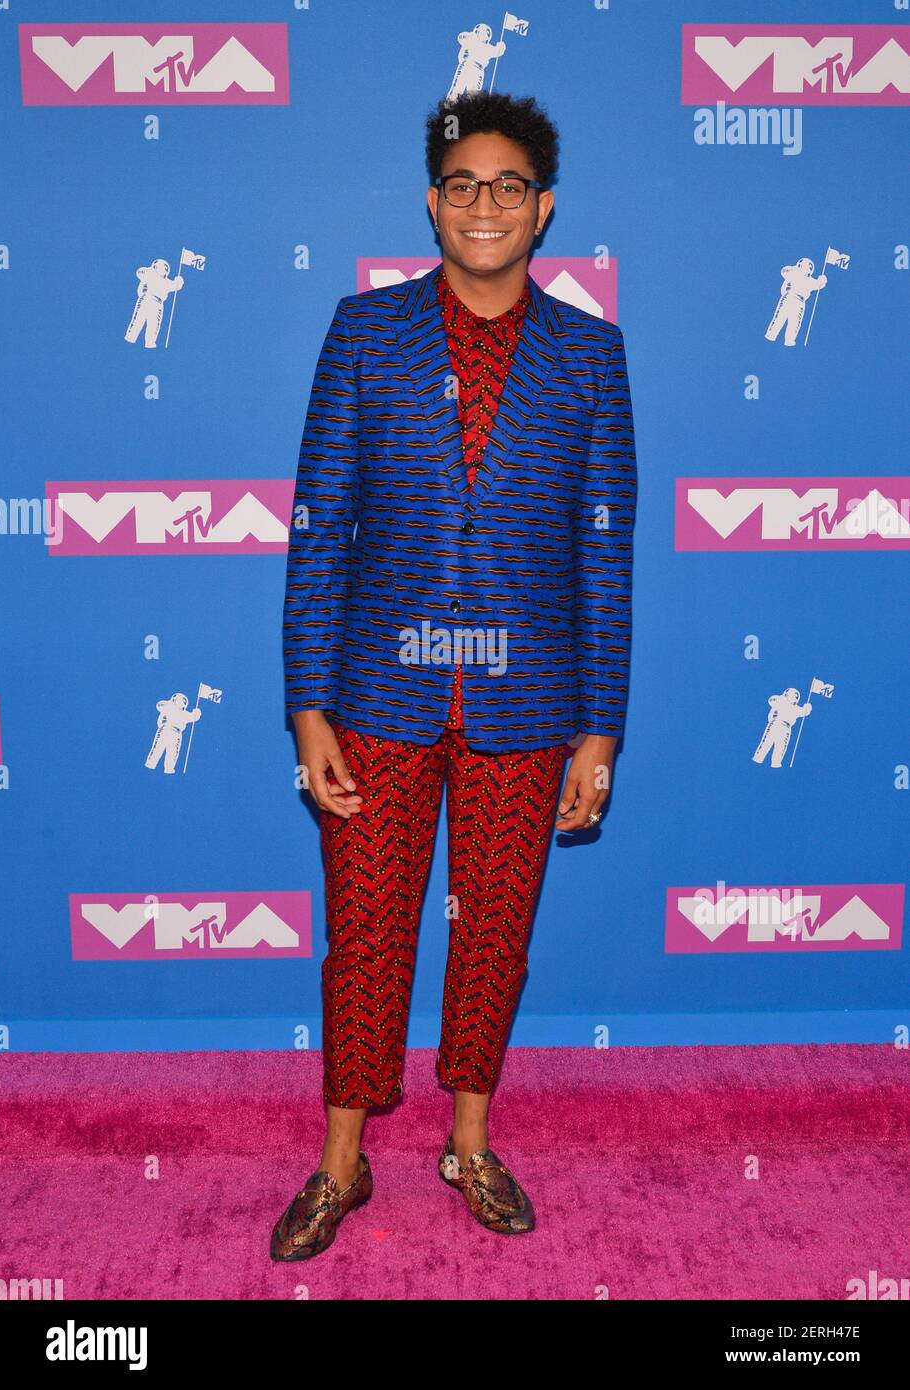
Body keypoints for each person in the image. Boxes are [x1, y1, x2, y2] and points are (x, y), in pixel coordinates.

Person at [272, 90, 637, 1260]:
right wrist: (306, 703)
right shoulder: (362, 334)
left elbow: (602, 550)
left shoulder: (591, 353)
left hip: (527, 706)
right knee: (367, 927)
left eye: (510, 186)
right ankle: (341, 1159)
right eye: (464, 185)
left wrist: (599, 727)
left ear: (544, 209)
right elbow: (320, 529)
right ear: (433, 203)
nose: (487, 205)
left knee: (493, 932)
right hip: (378, 696)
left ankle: (467, 1142)